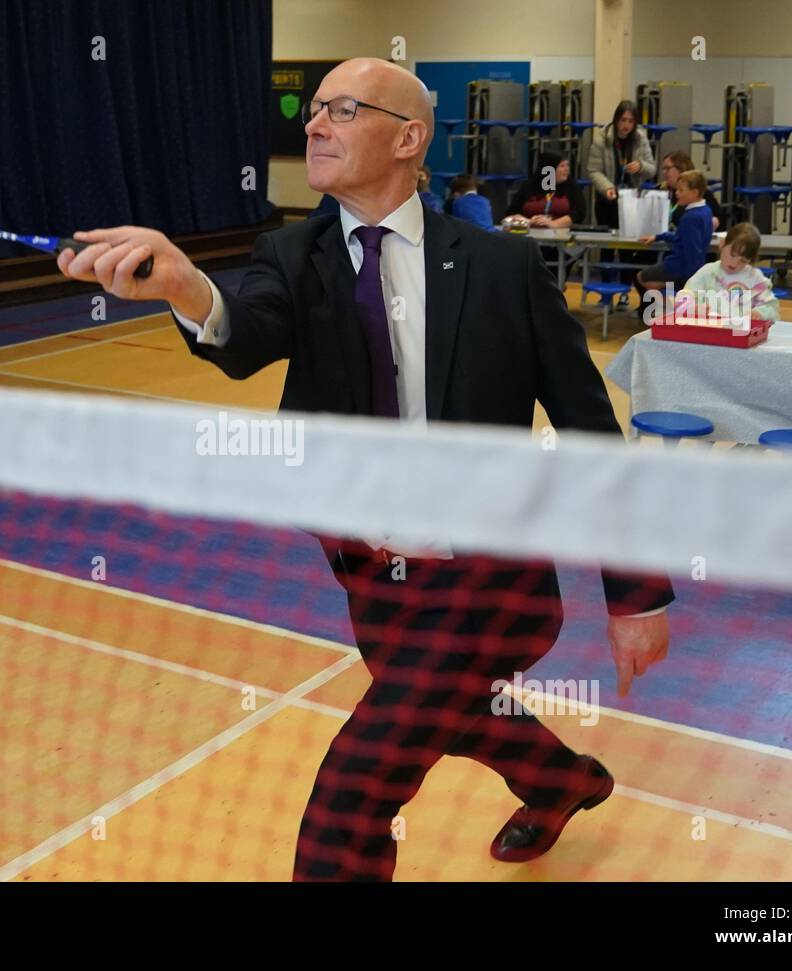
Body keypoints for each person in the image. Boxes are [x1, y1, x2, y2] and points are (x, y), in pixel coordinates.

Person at [56, 57, 673, 881]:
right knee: (452, 710)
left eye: (341, 111)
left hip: (492, 583)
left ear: (409, 137)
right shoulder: (290, 252)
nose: (312, 125)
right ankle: (564, 780)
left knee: (352, 797)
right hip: (374, 577)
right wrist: (186, 287)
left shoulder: (503, 269)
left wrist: (634, 592)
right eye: (314, 111)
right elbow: (246, 337)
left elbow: (593, 432)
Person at [635, 170, 714, 324]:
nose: (677, 193)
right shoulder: (706, 211)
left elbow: (692, 250)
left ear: (695, 192)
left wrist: (690, 280)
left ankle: (672, 304)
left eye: (681, 190)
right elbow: (682, 238)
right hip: (689, 266)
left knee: (641, 277)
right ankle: (670, 304)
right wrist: (658, 236)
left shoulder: (690, 217)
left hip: (680, 265)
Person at [673, 222, 779, 322]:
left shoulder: (755, 277)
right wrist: (691, 308)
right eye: (732, 255)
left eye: (743, 261)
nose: (735, 263)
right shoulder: (708, 272)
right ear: (722, 244)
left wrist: (759, 313)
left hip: (740, 333)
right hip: (708, 330)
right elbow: (685, 294)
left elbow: (771, 307)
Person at [586, 101, 657, 229]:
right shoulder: (601, 139)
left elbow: (652, 169)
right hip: (607, 201)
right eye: (623, 120)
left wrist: (641, 166)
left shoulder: (641, 139)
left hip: (631, 199)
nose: (626, 125)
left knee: (628, 243)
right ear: (616, 119)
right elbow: (594, 170)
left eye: (631, 121)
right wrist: (607, 188)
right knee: (607, 245)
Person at [505, 150, 586, 228]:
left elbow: (578, 213)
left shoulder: (572, 187)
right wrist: (528, 221)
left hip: (561, 232)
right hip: (530, 230)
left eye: (567, 165)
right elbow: (512, 212)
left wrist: (553, 224)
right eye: (562, 166)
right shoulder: (529, 186)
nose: (566, 169)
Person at [659, 151, 721, 232]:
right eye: (663, 169)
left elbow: (716, 221)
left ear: (681, 169)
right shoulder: (660, 191)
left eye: (667, 168)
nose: (664, 172)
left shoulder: (702, 193)